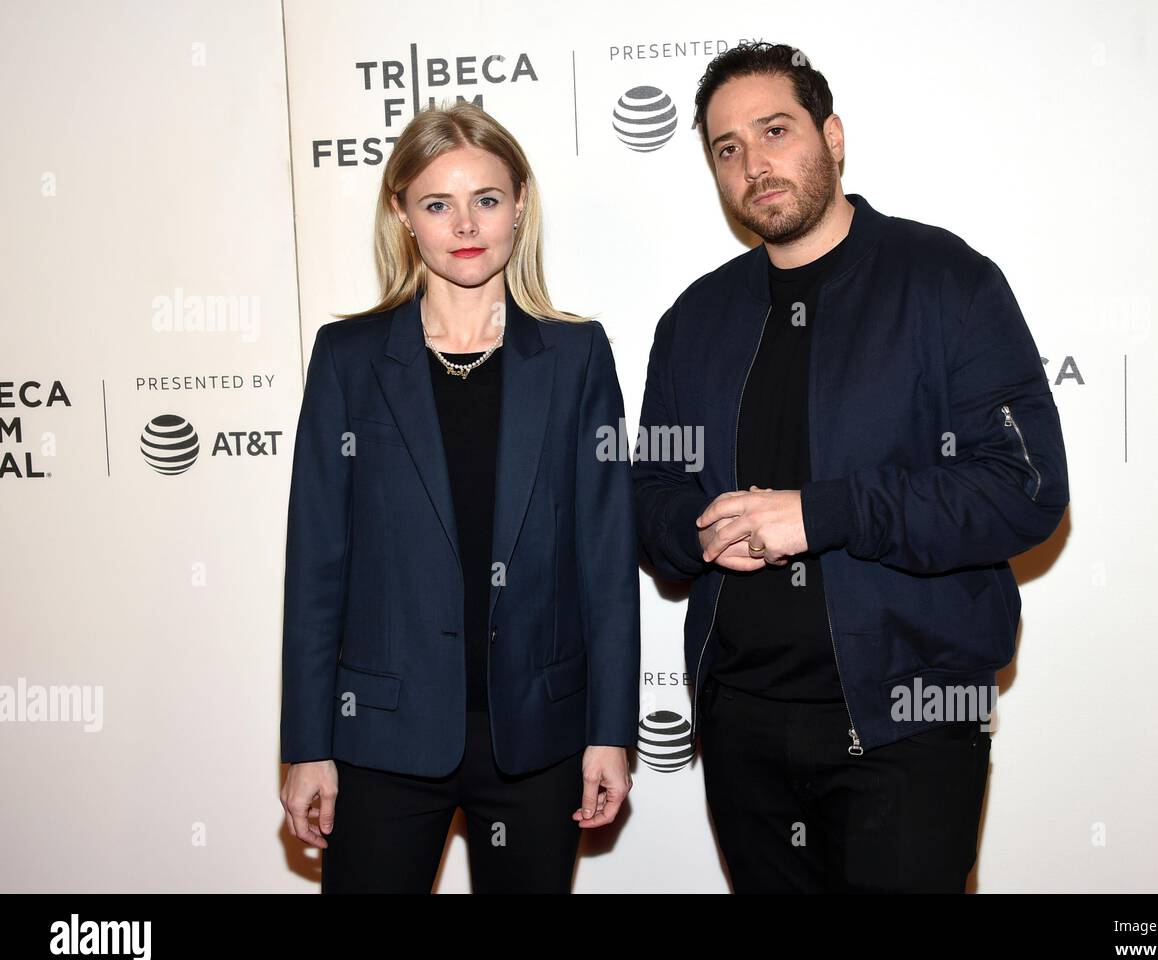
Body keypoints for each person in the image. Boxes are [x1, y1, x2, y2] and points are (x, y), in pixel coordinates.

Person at [632, 42, 1069, 892]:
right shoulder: (694, 320)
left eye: (775, 130)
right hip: (743, 728)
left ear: (832, 137)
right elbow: (648, 488)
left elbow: (1024, 488)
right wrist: (694, 532)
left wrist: (820, 514)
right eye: (728, 148)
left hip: (909, 721)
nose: (754, 164)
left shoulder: (947, 283)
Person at [279, 101, 639, 893]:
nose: (465, 223)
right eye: (437, 203)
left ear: (519, 208)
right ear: (404, 216)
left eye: (486, 198)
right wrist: (308, 742)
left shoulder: (577, 356)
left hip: (537, 739)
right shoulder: (348, 358)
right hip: (380, 739)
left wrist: (609, 733)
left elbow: (607, 560)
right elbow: (316, 567)